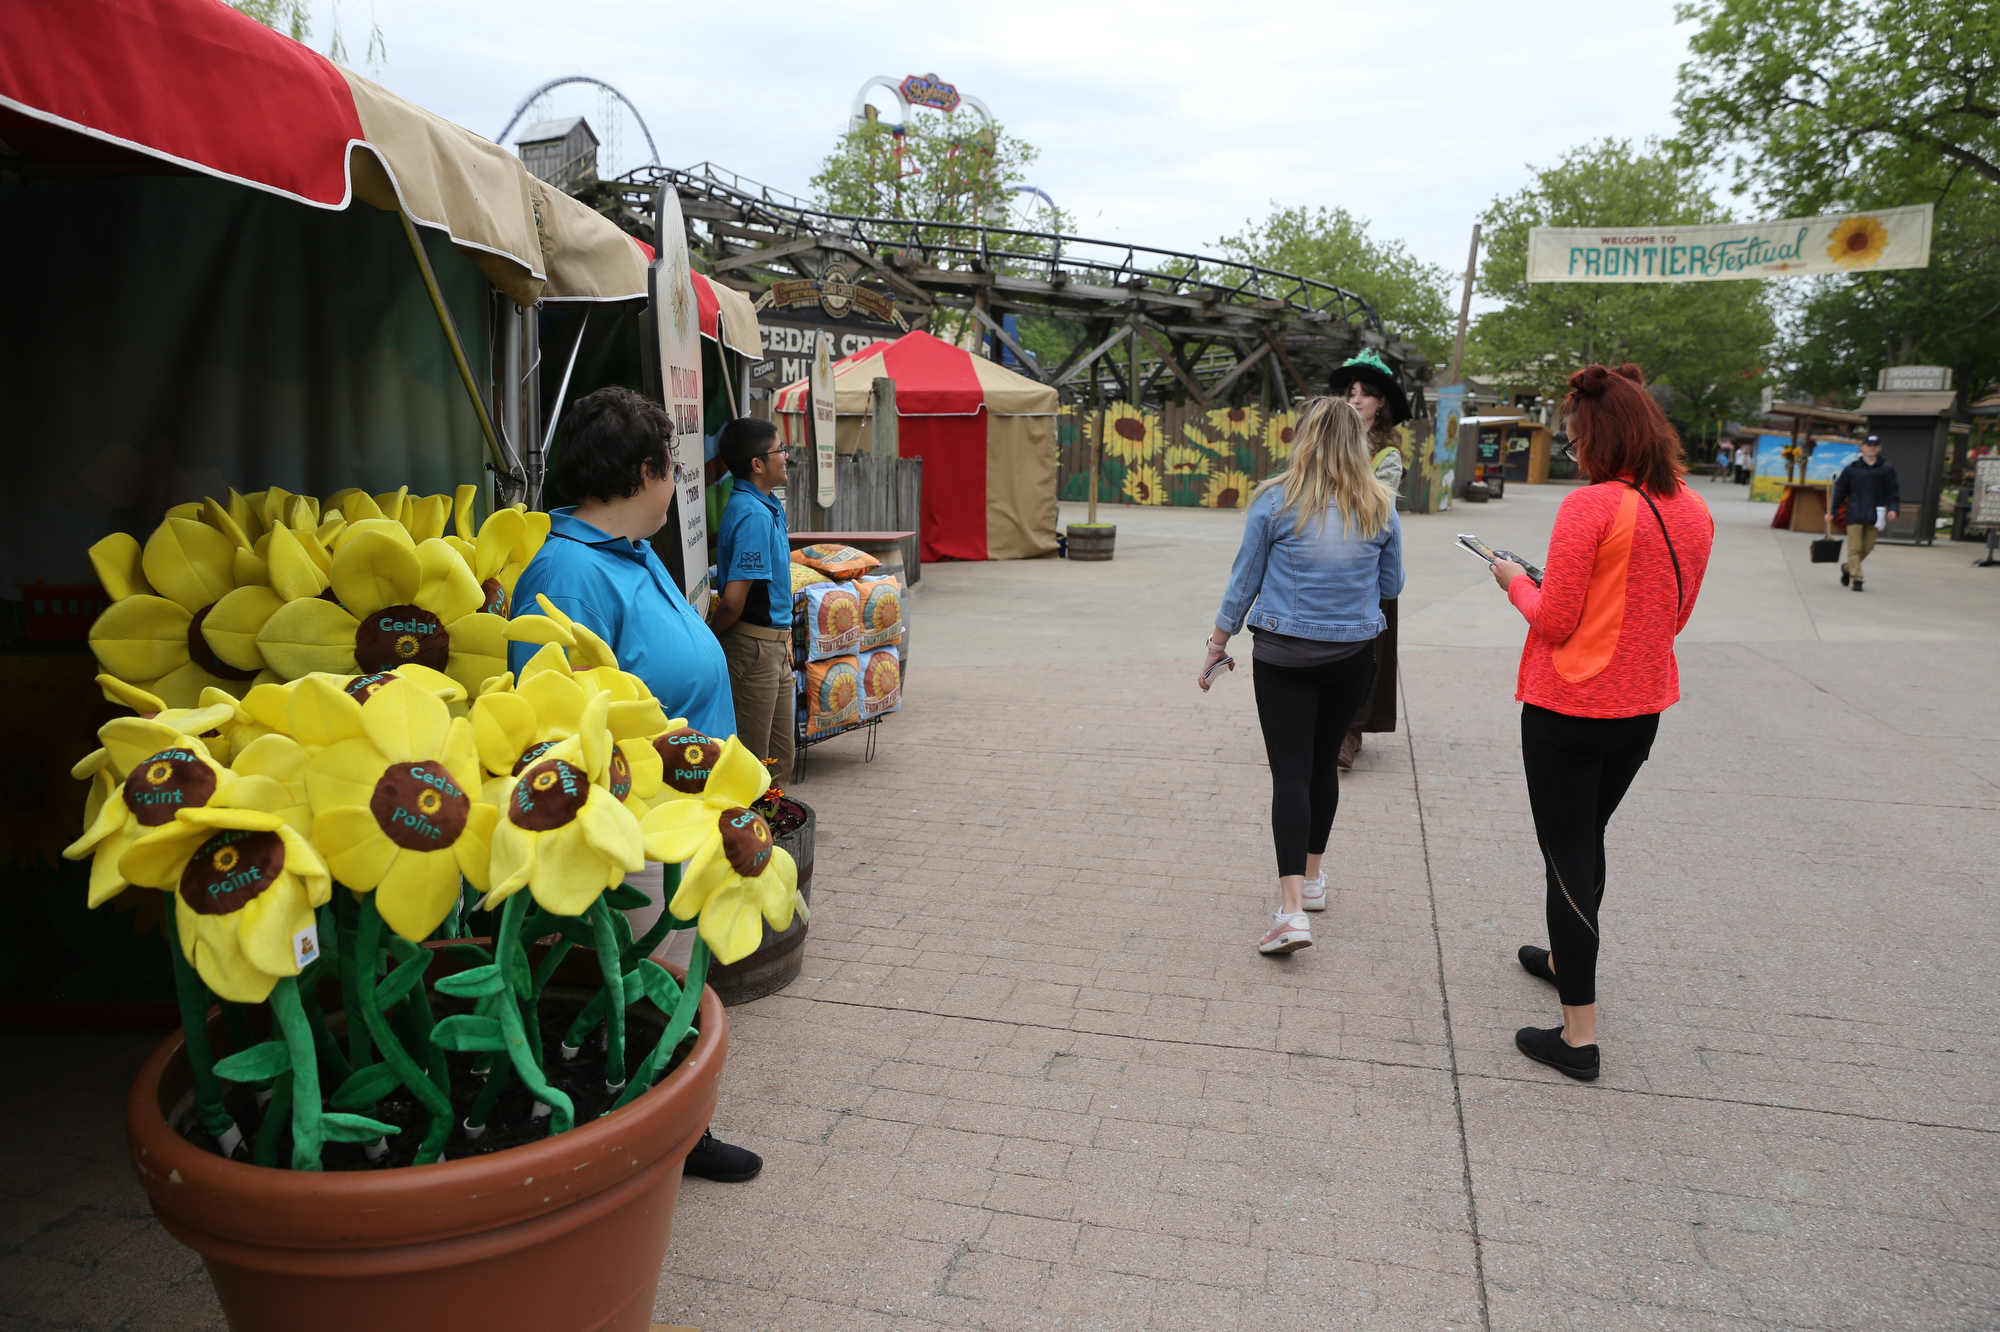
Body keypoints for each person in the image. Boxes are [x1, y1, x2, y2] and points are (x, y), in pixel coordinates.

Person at [507, 385, 762, 1182]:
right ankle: (659, 1136)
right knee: (651, 982)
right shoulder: (570, 571)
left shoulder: (632, 549)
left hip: (683, 817)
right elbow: (550, 724)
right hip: (640, 830)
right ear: (643, 470)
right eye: (672, 469)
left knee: (674, 980)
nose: (678, 485)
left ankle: (674, 1122)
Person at [1484, 363, 1713, 1081]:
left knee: (1566, 857)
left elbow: (1554, 621)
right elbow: (1668, 614)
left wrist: (1513, 581)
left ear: (1598, 434)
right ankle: (1560, 960)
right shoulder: (1695, 510)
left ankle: (1577, 1038)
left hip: (1568, 707)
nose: (1574, 445)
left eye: (1577, 432)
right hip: (1640, 709)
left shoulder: (1590, 507)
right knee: (1585, 842)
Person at [1203, 396, 1403, 956]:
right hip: (1352, 657)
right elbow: (1392, 583)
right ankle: (1312, 882)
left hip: (1285, 656)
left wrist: (1218, 642)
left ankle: (1290, 912)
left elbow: (1244, 582)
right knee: (1322, 766)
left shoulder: (1274, 502)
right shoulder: (1381, 504)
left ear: (1305, 438)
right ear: (1358, 443)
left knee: (1290, 772)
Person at [1326, 349, 1411, 770]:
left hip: (1369, 568)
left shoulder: (1387, 456)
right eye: (1351, 392)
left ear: (1381, 404)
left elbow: (1378, 510)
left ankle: (1350, 732)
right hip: (1322, 561)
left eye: (1365, 394)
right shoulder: (1325, 444)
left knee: (1365, 650)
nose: (1355, 399)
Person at [708, 418, 795, 776]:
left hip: (773, 645)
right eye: (779, 450)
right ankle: (750, 829)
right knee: (753, 763)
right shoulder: (752, 515)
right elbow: (732, 601)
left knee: (779, 758)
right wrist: (711, 640)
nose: (786, 456)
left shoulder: (766, 506)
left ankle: (772, 829)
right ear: (757, 464)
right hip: (753, 650)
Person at [1830, 434, 1900, 591]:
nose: (1872, 447)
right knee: (1854, 548)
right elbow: (1840, 491)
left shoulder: (1886, 469)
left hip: (1876, 514)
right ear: (1862, 447)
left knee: (1867, 548)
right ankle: (1857, 579)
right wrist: (1832, 511)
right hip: (1855, 513)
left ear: (1879, 448)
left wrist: (1894, 508)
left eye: (1875, 445)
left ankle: (1847, 568)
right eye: (1869, 445)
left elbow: (1893, 491)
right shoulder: (1852, 469)